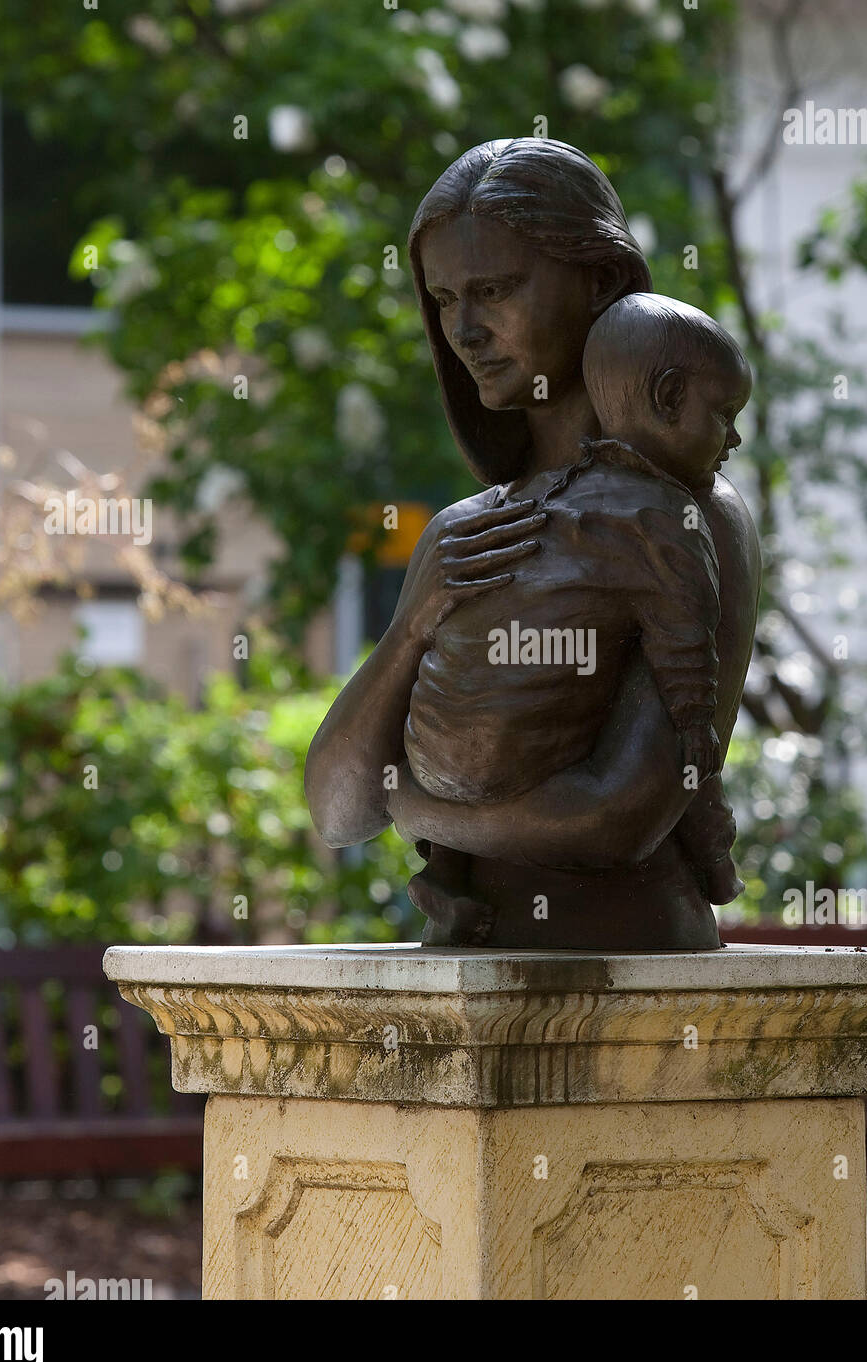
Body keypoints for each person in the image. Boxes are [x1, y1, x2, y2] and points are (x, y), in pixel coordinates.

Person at [305, 138, 762, 951]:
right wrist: (415, 622)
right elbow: (339, 811)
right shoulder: (462, 530)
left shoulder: (688, 515)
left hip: (626, 979)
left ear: (601, 280)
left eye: (495, 290)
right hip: (466, 976)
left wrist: (408, 804)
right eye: (445, 299)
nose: (465, 330)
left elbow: (619, 817)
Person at [404, 293, 751, 942]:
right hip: (524, 769)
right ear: (670, 398)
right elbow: (683, 642)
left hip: (434, 748)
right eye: (725, 415)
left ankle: (445, 872)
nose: (734, 437)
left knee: (507, 683)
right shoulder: (667, 519)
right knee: (678, 746)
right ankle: (716, 858)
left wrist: (415, 801)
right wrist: (697, 720)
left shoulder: (541, 499)